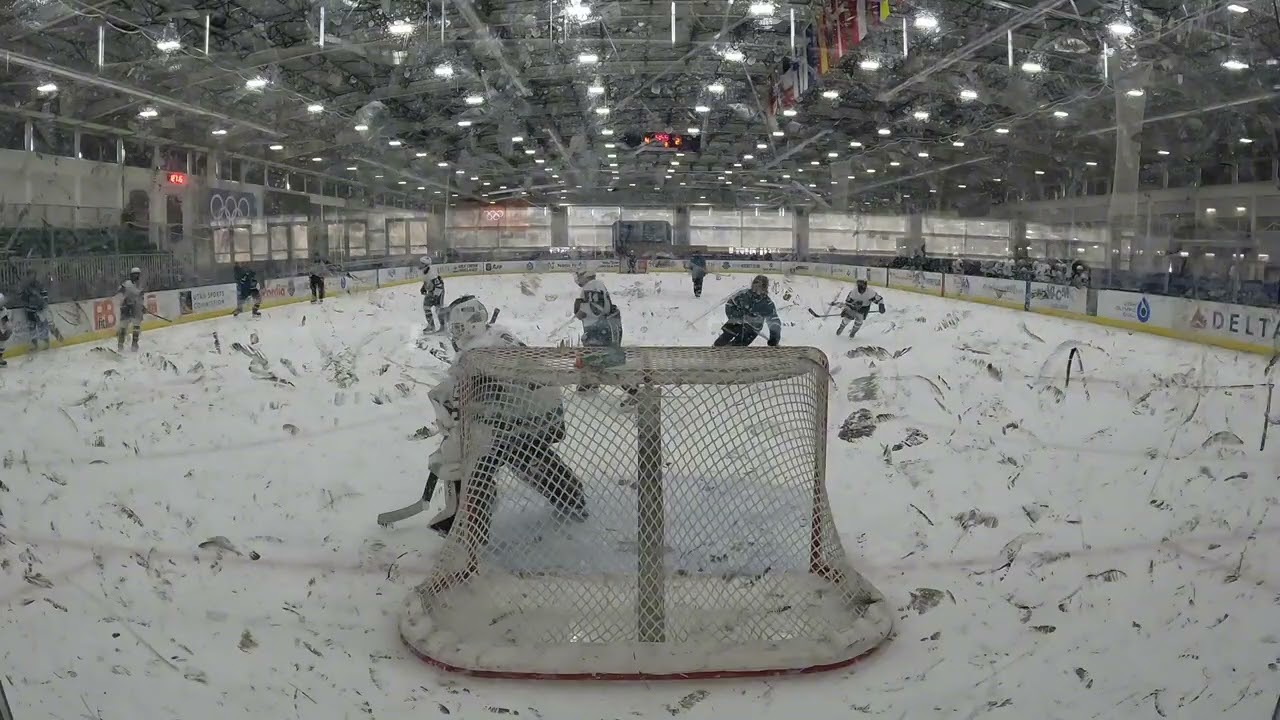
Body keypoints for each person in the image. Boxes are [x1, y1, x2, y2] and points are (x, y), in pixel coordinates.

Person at [414, 295, 587, 538]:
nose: (454, 333)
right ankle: (571, 497)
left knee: (461, 458)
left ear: (469, 324)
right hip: (546, 412)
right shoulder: (499, 332)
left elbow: (469, 397)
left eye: (457, 327)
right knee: (528, 453)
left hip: (514, 419)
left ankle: (465, 523)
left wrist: (449, 417)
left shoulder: (473, 354)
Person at [714, 274, 780, 347]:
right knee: (721, 342)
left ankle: (730, 354)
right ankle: (714, 352)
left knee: (737, 347)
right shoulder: (743, 295)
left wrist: (774, 337)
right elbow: (730, 304)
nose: (757, 289)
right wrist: (735, 315)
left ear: (765, 288)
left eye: (760, 287)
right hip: (735, 323)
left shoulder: (767, 304)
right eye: (755, 286)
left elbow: (774, 321)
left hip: (752, 330)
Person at [18, 273, 50, 352]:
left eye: (31, 275)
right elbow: (22, 298)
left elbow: (45, 296)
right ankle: (35, 345)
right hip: (29, 310)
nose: (30, 277)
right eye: (29, 276)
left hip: (39, 311)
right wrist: (27, 294)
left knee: (42, 326)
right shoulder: (26, 287)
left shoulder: (39, 285)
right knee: (32, 328)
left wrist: (42, 304)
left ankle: (46, 343)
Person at [116, 267, 145, 352]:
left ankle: (134, 344)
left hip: (135, 308)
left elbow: (140, 298)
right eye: (134, 274)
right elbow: (119, 292)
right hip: (126, 307)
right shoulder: (126, 284)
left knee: (136, 326)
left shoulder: (140, 286)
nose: (136, 276)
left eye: (137, 274)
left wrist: (142, 306)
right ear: (131, 275)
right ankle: (120, 345)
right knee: (123, 327)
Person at [420, 256, 445, 331]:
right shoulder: (424, 271)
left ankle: (443, 327)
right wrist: (423, 287)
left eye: (422, 263)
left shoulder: (432, 273)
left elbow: (439, 286)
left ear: (426, 265)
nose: (420, 265)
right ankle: (431, 326)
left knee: (438, 309)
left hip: (438, 292)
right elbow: (426, 281)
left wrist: (435, 296)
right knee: (426, 307)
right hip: (431, 291)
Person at [0, 292, 11, 367]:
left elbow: (5, 321)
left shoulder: (3, 310)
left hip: (1, 330)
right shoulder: (3, 310)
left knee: (2, 344)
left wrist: (8, 329)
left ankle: (0, 359)